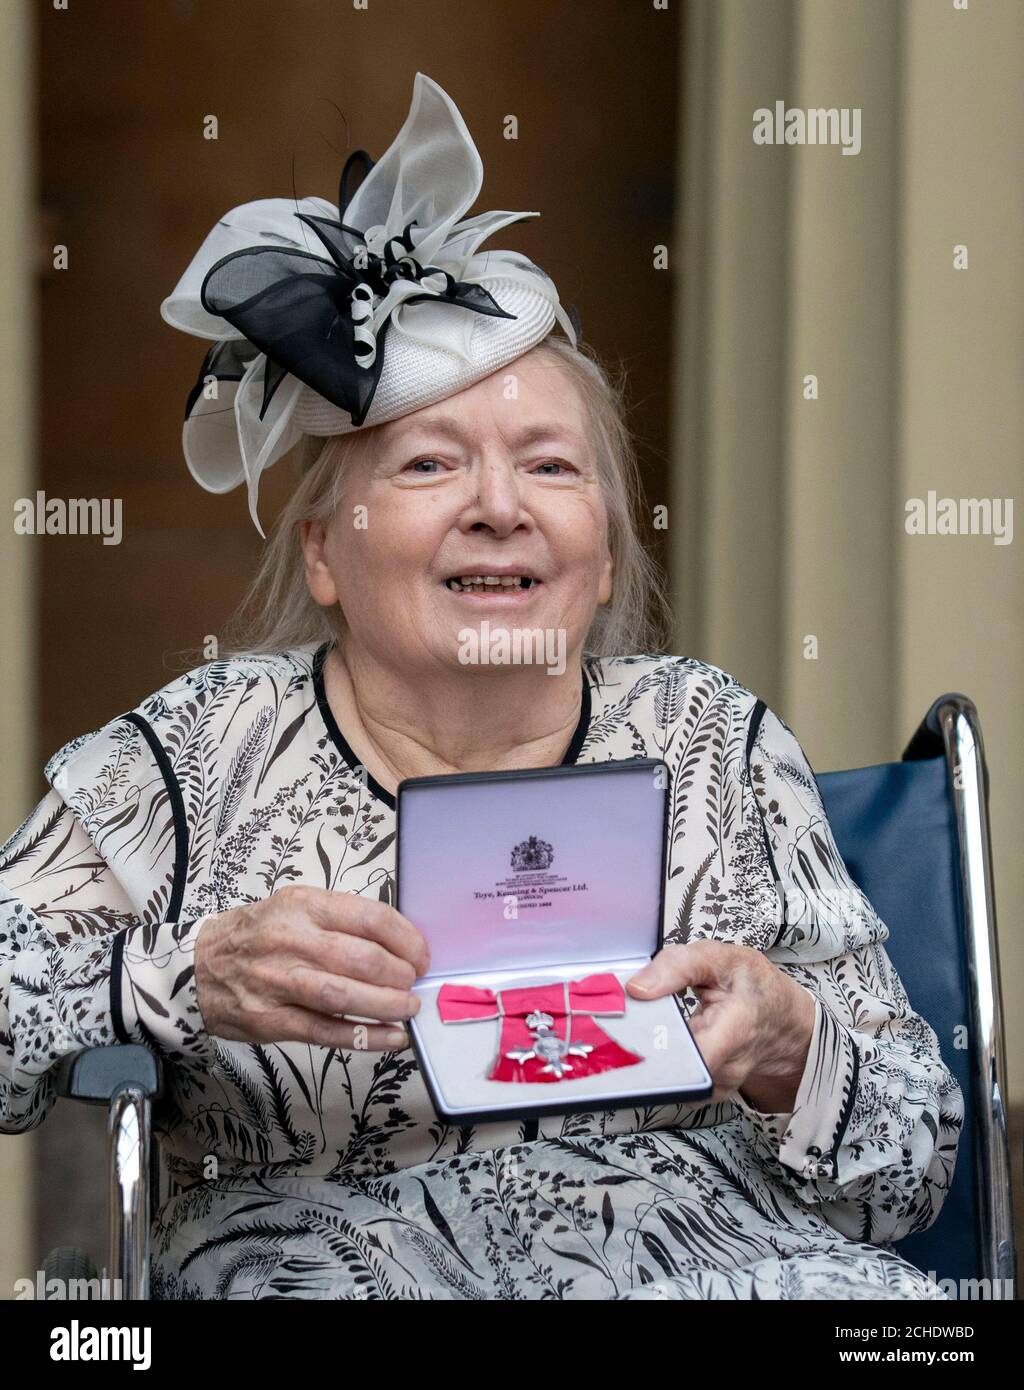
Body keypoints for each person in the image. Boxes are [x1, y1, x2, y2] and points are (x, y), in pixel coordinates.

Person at [0, 74, 961, 1300]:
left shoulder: (710, 735)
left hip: (723, 1268)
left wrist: (789, 1046)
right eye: (430, 462)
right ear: (322, 551)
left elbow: (914, 1169)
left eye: (550, 466)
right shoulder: (196, 753)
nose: (499, 507)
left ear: (604, 549)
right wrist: (177, 978)